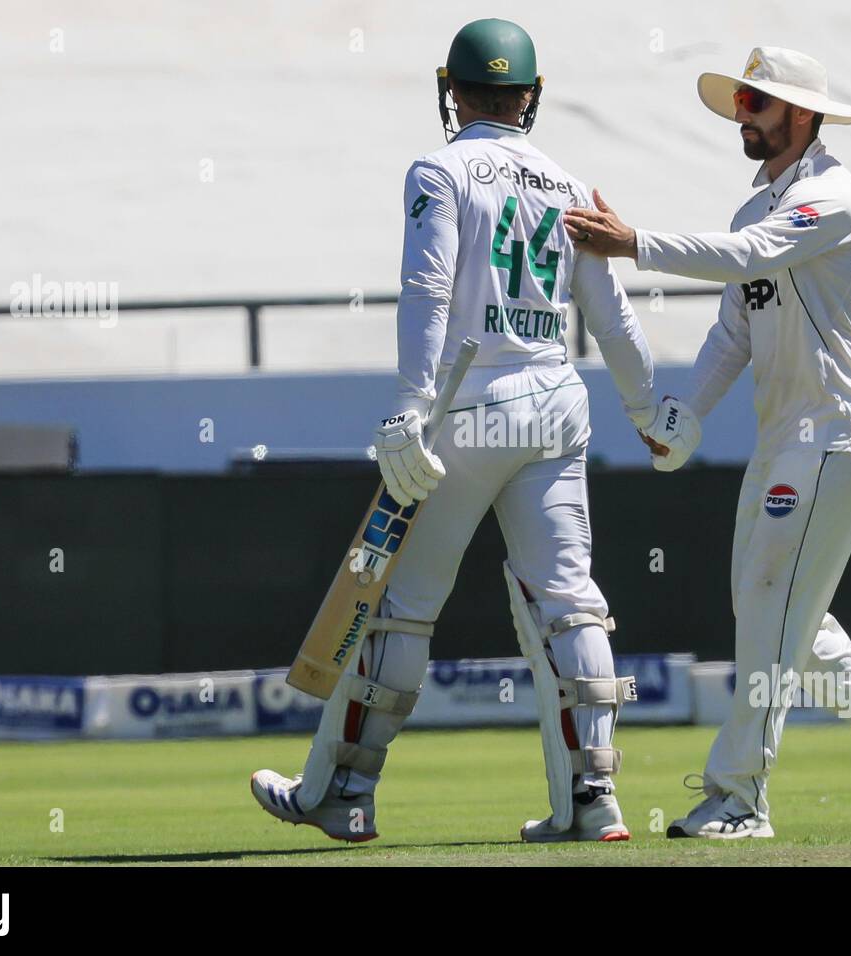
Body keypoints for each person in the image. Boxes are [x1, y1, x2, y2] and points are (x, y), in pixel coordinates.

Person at [252, 18, 662, 844]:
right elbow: (612, 319)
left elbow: (428, 291)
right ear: (531, 97)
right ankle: (594, 800)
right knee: (572, 604)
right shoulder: (571, 185)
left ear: (452, 91)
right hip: (556, 404)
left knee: (401, 608)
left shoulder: (438, 171)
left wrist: (410, 405)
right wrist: (655, 414)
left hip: (467, 409)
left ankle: (347, 794)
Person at [564, 47, 851, 840]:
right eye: (742, 101)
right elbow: (733, 332)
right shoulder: (756, 210)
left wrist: (634, 242)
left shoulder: (835, 197)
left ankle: (739, 797)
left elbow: (747, 259)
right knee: (785, 623)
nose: (744, 115)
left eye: (758, 102)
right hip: (786, 440)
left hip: (837, 434)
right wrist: (683, 417)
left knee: (773, 612)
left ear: (803, 116)